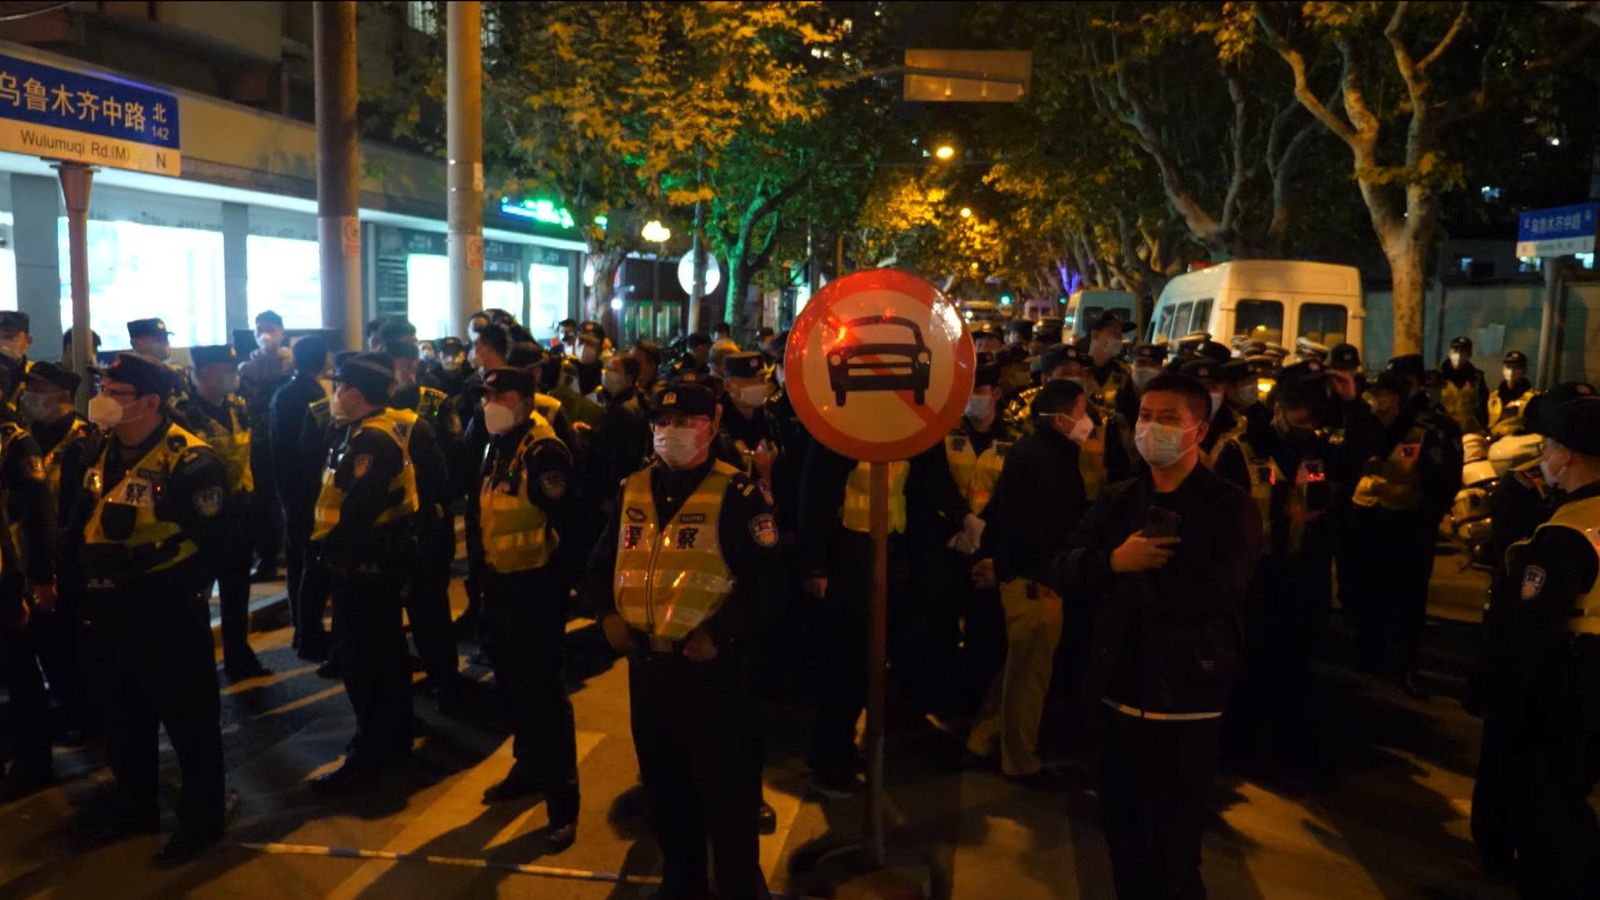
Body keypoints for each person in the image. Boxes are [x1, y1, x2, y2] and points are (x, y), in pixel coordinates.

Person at [1053, 372, 1261, 900]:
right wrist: (1113, 561)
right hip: (1116, 695)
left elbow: (1218, 590)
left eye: (1168, 419)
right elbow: (1066, 566)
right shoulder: (1120, 499)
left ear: (1200, 429)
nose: (1151, 429)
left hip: (1186, 702)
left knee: (1173, 854)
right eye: (1145, 416)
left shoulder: (1227, 506)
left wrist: (1134, 578)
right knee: (1123, 843)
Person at [585, 381, 778, 900]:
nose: (670, 433)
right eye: (662, 424)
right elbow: (601, 564)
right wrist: (606, 615)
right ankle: (682, 885)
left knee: (728, 801)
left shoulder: (737, 494)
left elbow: (768, 583)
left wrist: (720, 634)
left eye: (685, 423)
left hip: (714, 675)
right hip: (650, 672)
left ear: (712, 427)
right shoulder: (635, 488)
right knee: (668, 797)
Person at [66, 353, 234, 865]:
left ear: (151, 402)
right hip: (110, 609)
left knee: (189, 723)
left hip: (166, 611)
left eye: (116, 394)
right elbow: (79, 522)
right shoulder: (100, 449)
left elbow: (221, 545)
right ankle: (135, 806)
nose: (103, 401)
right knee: (123, 718)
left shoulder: (191, 462)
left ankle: (201, 819)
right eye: (105, 390)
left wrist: (182, 594)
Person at [1497, 394, 1600, 897]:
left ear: (1570, 457)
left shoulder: (1565, 532)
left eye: (1551, 446)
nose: (1545, 456)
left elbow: (1534, 629)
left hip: (1572, 675)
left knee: (1550, 804)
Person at [475, 368, 581, 847]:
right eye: (488, 392)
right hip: (502, 585)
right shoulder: (498, 444)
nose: (491, 400)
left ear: (525, 399)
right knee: (514, 687)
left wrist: (555, 590)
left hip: (536, 588)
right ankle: (528, 768)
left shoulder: (544, 450)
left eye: (502, 392)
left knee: (543, 695)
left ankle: (563, 803)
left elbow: (568, 529)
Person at [967, 379, 1089, 786]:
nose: (1086, 420)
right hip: (1036, 579)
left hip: (1024, 573)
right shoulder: (1049, 459)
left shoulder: (1032, 449)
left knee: (1016, 667)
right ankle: (1020, 760)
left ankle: (984, 740)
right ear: (1060, 417)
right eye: (1081, 411)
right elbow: (1037, 527)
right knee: (1030, 676)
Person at [308, 352, 421, 792]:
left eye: (339, 387)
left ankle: (371, 751)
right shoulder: (361, 432)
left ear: (354, 392)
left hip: (364, 569)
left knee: (366, 664)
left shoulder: (371, 442)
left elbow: (358, 512)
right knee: (384, 658)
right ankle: (392, 739)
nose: (334, 394)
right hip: (367, 567)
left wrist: (327, 551)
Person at [1342, 359, 1461, 695]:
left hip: (1409, 524)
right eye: (1373, 393)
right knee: (1367, 591)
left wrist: (1428, 520)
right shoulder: (1363, 423)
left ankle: (1405, 663)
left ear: (1399, 396)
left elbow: (1445, 478)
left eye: (1382, 394)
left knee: (1407, 598)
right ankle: (1369, 654)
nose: (1376, 400)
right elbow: (1344, 464)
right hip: (1367, 519)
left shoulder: (1432, 428)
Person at [177, 345, 271, 681]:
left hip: (239, 516)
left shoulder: (238, 407)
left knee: (236, 593)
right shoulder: (184, 414)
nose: (232, 375)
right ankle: (197, 667)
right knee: (197, 598)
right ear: (201, 373)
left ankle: (238, 656)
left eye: (233, 368)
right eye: (223, 369)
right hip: (201, 523)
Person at [19, 362, 94, 747]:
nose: (29, 397)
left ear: (62, 396)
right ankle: (67, 709)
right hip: (35, 554)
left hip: (72, 556)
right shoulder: (27, 436)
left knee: (71, 643)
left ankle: (83, 716)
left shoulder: (84, 439)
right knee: (46, 641)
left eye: (38, 390)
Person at [0, 357, 57, 800]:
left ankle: (34, 761)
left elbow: (37, 520)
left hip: (8, 576)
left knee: (21, 672)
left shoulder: (17, 445)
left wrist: (37, 580)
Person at [270, 336, 330, 659]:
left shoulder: (282, 393)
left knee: (297, 561)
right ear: (323, 363)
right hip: (309, 491)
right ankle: (310, 631)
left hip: (287, 489)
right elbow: (319, 448)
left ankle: (300, 627)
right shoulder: (314, 396)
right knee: (313, 562)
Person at [238, 311, 294, 582]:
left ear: (282, 332)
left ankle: (288, 553)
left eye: (270, 329)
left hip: (288, 441)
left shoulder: (292, 365)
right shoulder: (246, 369)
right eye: (260, 330)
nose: (265, 335)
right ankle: (267, 557)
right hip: (259, 441)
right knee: (262, 501)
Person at [1439, 335, 1489, 436]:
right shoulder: (1437, 376)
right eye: (1455, 350)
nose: (1459, 355)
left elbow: (1483, 406)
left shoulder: (1477, 378)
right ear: (1449, 352)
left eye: (1463, 351)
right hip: (1442, 433)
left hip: (1469, 435)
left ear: (1469, 354)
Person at [1488, 350, 1537, 435]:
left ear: (1524, 371)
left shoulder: (1532, 398)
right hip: (1492, 441)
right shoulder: (1494, 396)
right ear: (1503, 369)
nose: (1512, 371)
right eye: (1508, 367)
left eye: (1516, 367)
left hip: (1516, 443)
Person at [574, 321, 606, 395]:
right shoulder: (566, 368)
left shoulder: (603, 377)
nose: (584, 346)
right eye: (581, 341)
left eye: (590, 343)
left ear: (600, 348)